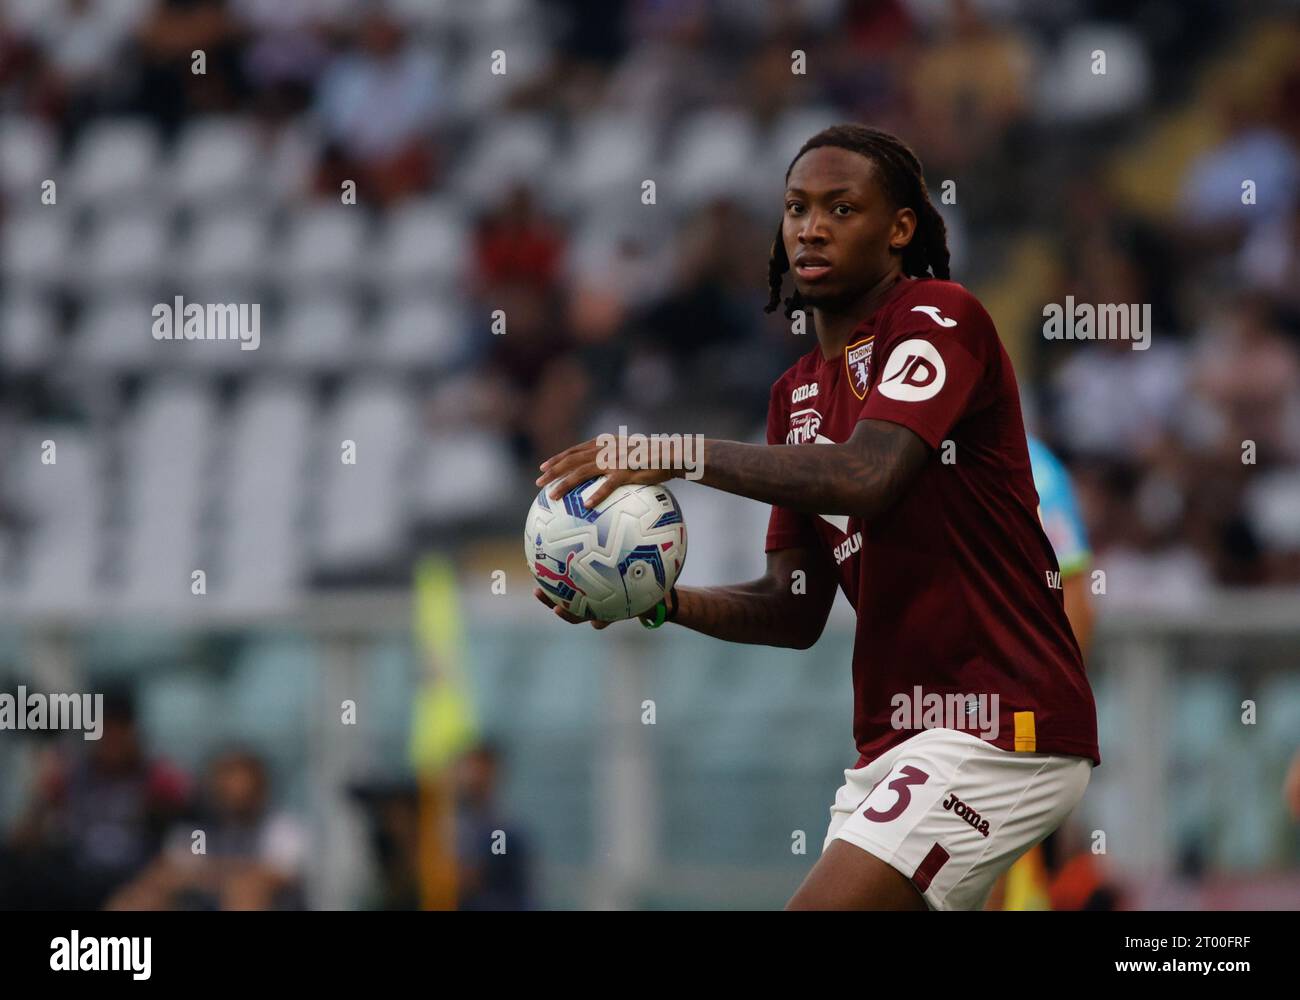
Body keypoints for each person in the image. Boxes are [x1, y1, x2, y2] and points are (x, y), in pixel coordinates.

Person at [534, 124, 1099, 910]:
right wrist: (661, 602)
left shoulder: (940, 318)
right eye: (797, 207)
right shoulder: (794, 395)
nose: (812, 226)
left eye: (843, 207)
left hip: (1000, 725)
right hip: (895, 744)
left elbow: (867, 475)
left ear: (900, 229)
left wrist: (680, 451)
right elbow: (794, 607)